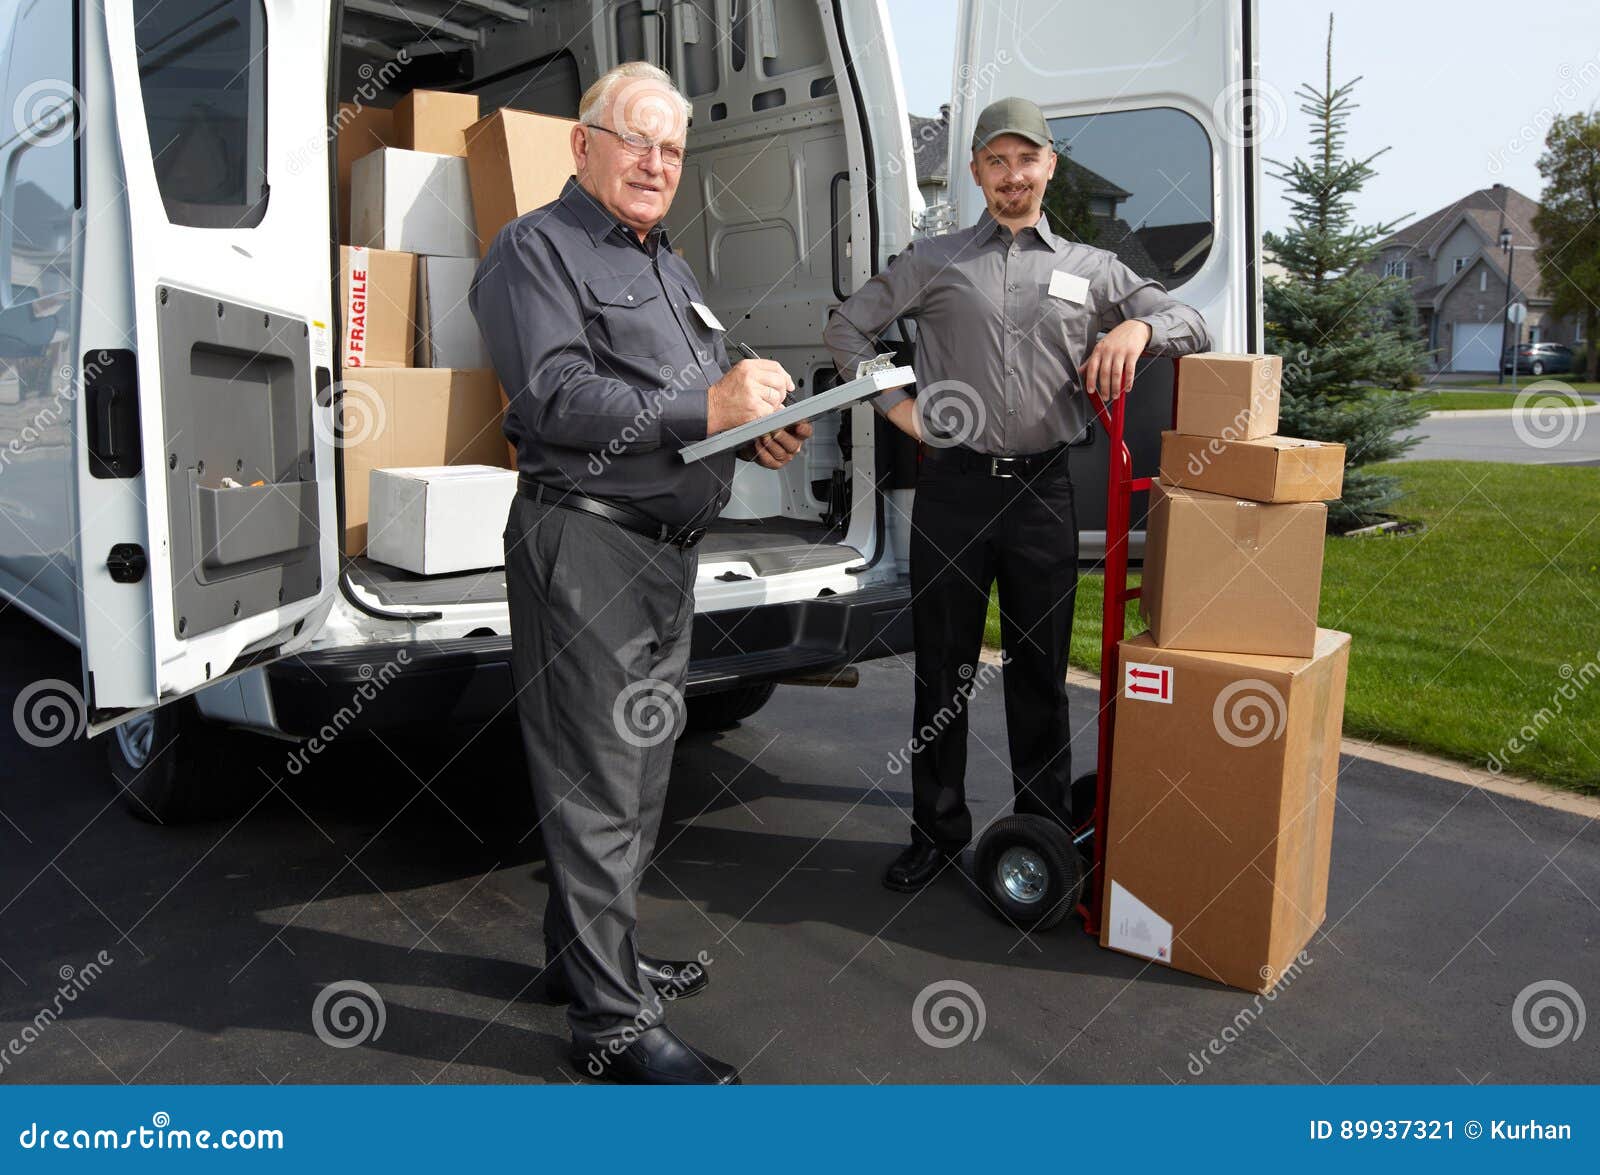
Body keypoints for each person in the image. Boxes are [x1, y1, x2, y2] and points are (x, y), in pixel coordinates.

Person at [470, 61, 811, 1084]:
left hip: (660, 556)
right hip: (587, 545)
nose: (655, 163)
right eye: (636, 141)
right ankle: (610, 1029)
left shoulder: (670, 265)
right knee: (597, 786)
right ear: (584, 146)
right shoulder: (536, 248)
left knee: (634, 774)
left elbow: (691, 397)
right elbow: (552, 397)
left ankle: (585, 961)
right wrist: (707, 410)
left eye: (671, 149)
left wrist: (751, 433)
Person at [823, 97, 1211, 895]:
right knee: (943, 673)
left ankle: (1040, 836)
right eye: (996, 162)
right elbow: (845, 331)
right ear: (975, 173)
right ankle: (937, 831)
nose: (1012, 176)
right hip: (953, 495)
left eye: (1025, 160)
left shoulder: (1095, 269)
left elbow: (1192, 322)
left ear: (1049, 168)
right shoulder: (933, 260)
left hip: (1041, 497)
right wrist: (899, 411)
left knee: (1039, 672)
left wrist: (1137, 330)